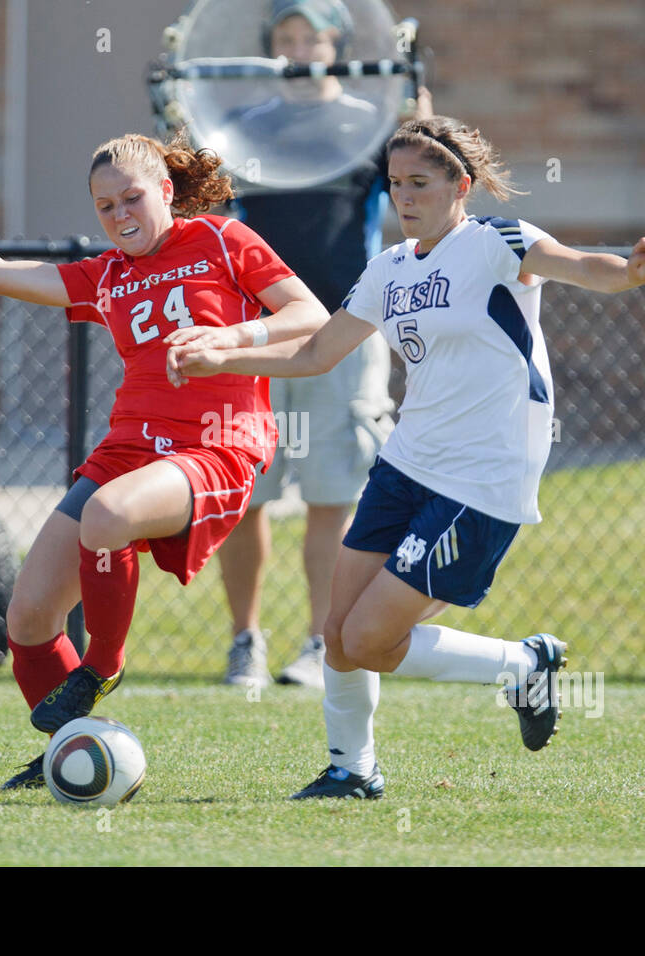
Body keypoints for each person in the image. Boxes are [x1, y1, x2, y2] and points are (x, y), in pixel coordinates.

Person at [167, 116, 645, 798]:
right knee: (340, 635)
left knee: (373, 637)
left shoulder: (499, 242)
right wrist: (222, 354)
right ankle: (352, 769)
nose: (405, 197)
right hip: (406, 463)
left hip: (483, 478)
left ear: (460, 186)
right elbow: (317, 353)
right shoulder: (388, 267)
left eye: (421, 184)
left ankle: (523, 664)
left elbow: (587, 269)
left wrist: (632, 271)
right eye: (395, 184)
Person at [0, 132, 328, 790]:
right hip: (130, 449)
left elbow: (308, 314)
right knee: (28, 617)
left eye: (132, 198)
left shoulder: (224, 241)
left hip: (219, 442)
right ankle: (72, 751)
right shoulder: (108, 273)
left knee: (108, 515)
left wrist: (231, 337)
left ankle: (103, 665)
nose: (119, 216)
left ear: (166, 192)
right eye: (104, 206)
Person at [215, 0, 421, 691]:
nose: (300, 49)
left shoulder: (369, 127)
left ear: (336, 44)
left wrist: (419, 116)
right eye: (286, 38)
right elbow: (206, 216)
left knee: (334, 493)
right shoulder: (243, 129)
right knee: (246, 493)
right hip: (258, 333)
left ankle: (317, 639)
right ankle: (245, 641)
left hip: (344, 328)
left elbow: (423, 191)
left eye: (312, 37)